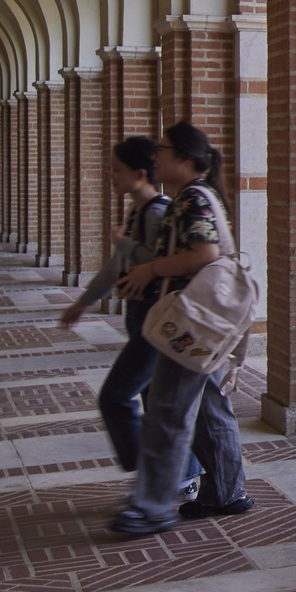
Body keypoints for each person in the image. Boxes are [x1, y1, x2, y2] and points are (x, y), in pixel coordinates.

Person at [109, 122, 252, 536]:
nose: (155, 155)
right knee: (204, 409)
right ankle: (226, 492)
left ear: (184, 159)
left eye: (163, 149)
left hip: (190, 322)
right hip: (194, 322)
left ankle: (153, 507)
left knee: (167, 415)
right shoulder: (194, 196)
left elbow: (204, 253)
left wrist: (151, 268)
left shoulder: (192, 199)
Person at [61, 135, 198, 499]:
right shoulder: (137, 212)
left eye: (116, 170)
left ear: (140, 174)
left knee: (116, 397)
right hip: (141, 317)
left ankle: (159, 475)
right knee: (155, 405)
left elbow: (154, 265)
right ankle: (183, 473)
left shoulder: (156, 213)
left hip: (157, 321)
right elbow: (117, 267)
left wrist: (122, 242)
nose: (111, 176)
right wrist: (84, 301)